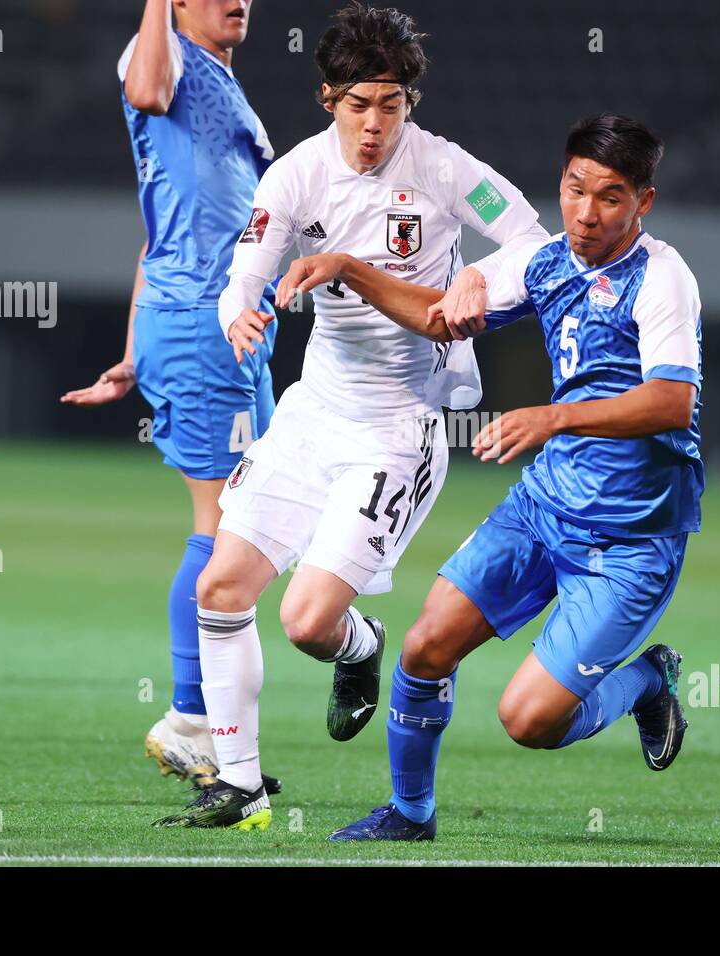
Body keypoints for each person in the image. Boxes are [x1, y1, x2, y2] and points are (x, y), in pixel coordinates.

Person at [154, 2, 548, 830]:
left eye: (392, 105)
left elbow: (533, 240)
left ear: (410, 103)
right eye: (360, 104)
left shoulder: (442, 169)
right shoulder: (296, 174)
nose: (375, 125)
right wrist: (240, 314)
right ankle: (241, 785)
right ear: (328, 96)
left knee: (305, 623)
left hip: (400, 430)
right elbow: (246, 268)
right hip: (315, 410)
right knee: (221, 588)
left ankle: (357, 646)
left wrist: (480, 280)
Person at [274, 114, 702, 842]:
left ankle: (646, 681)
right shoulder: (547, 261)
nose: (586, 213)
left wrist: (553, 419)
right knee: (423, 647)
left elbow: (673, 401)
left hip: (633, 538)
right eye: (574, 190)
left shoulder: (663, 277)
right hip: (544, 509)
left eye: (610, 197)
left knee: (528, 722)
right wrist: (348, 267)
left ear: (643, 203)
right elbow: (439, 319)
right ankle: (411, 817)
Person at [60, 0, 281, 795]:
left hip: (221, 328)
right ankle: (192, 722)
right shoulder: (163, 57)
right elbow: (146, 90)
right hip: (201, 327)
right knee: (222, 524)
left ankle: (214, 726)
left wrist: (128, 352)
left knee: (264, 514)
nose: (238, 1)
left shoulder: (222, 81)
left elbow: (160, 233)